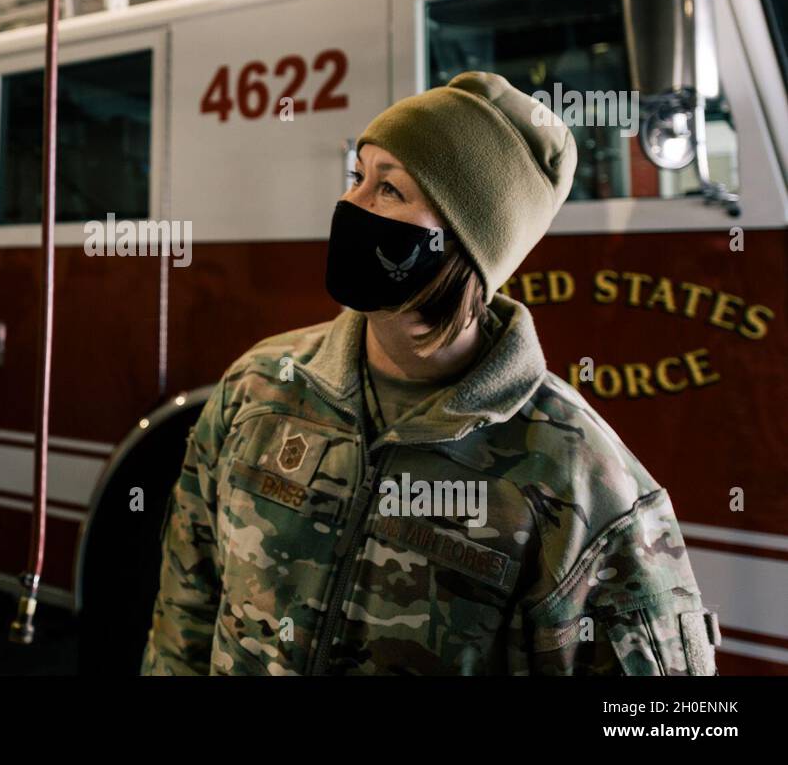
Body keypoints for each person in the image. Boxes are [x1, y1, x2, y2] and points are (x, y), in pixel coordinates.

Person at [141, 72, 720, 675]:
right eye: (356, 177)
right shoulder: (260, 387)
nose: (352, 204)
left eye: (389, 189)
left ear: (465, 242)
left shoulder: (578, 478)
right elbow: (184, 613)